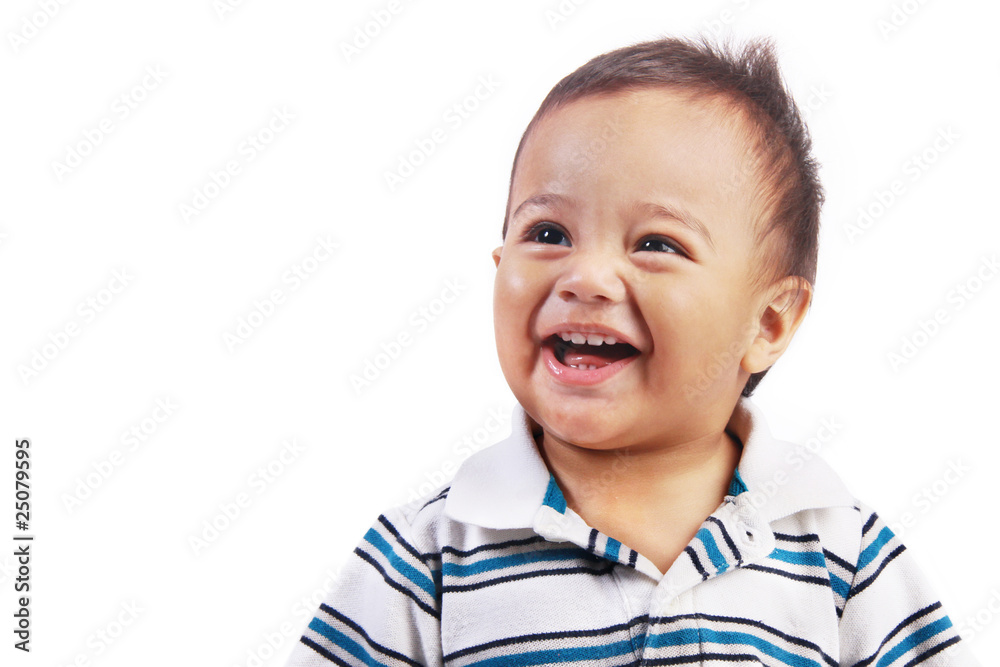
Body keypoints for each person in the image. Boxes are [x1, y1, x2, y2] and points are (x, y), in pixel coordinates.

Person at [284, 35, 981, 666]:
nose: (584, 276)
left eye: (656, 244)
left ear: (768, 322)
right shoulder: (429, 554)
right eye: (549, 233)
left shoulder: (836, 548)